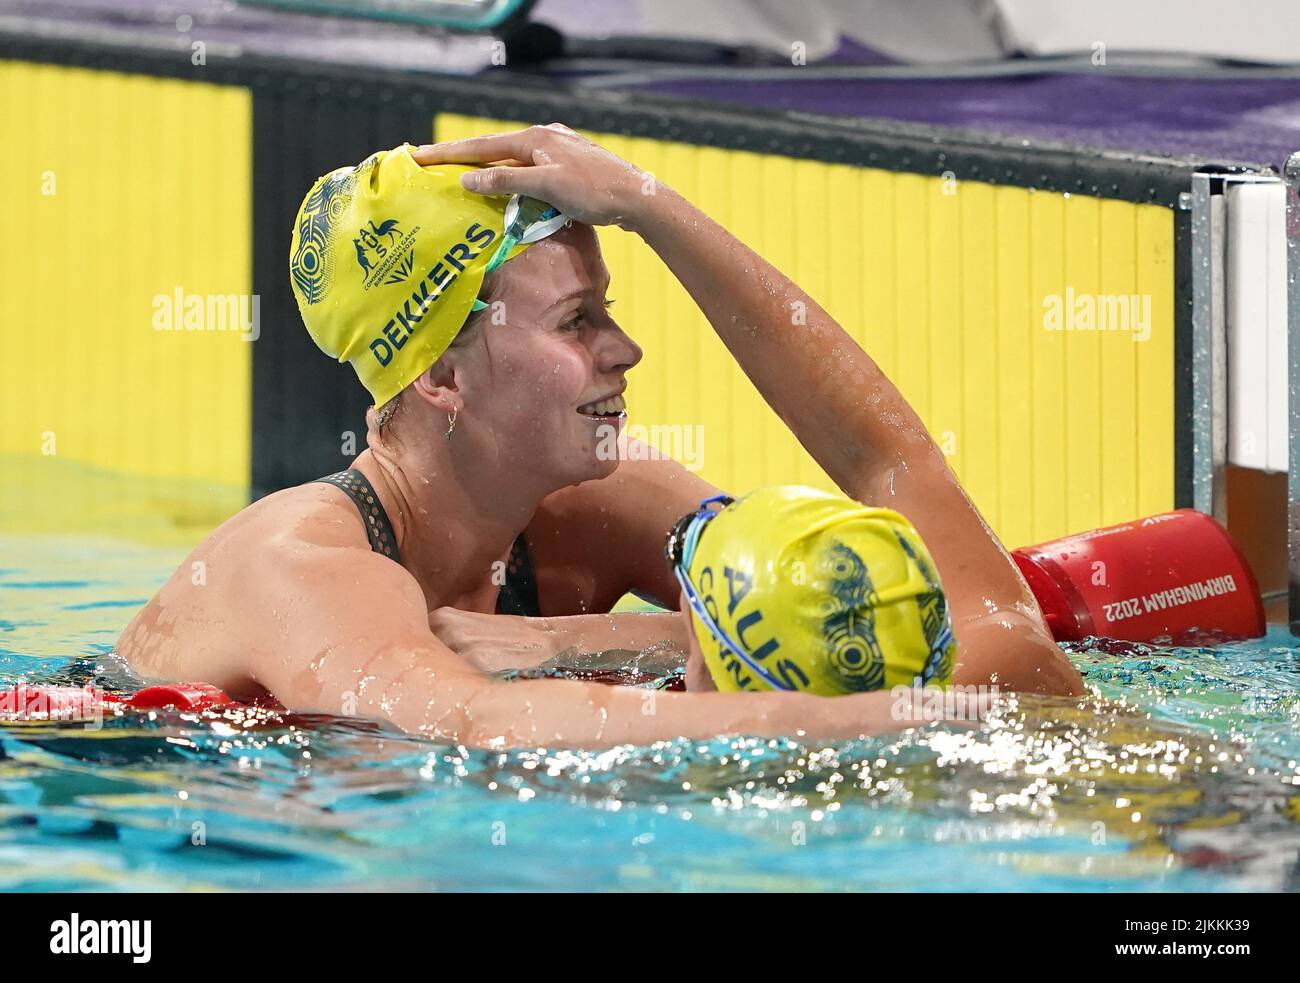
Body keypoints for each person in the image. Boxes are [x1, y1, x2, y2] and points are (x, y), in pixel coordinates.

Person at [116, 127, 1078, 750]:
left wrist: (583, 639)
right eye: (577, 320)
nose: (628, 348)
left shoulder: (607, 512)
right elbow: (468, 719)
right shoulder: (294, 566)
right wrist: (888, 722)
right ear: (441, 376)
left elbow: (870, 610)